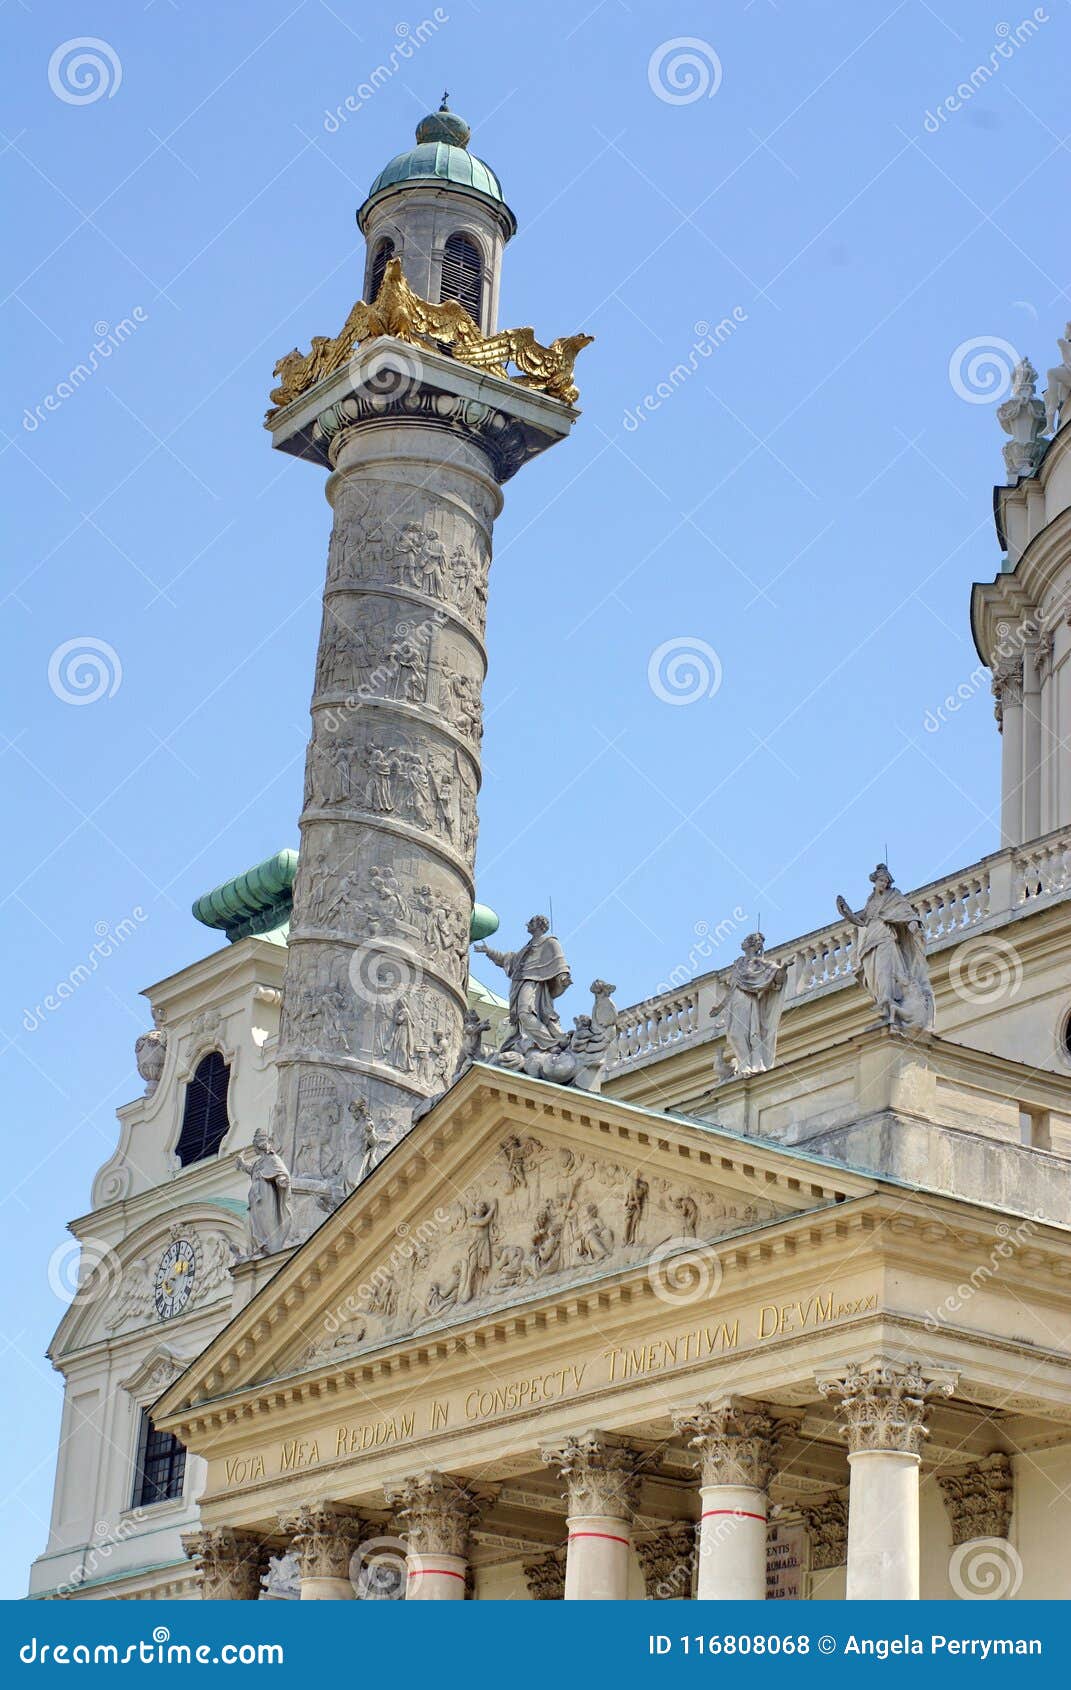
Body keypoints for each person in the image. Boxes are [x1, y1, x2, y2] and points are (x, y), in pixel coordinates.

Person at [836, 863, 934, 1033]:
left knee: (884, 972)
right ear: (875, 881)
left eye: (886, 881)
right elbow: (863, 920)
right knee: (873, 975)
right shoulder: (871, 899)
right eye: (881, 880)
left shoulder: (893, 895)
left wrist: (912, 923)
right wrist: (846, 912)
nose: (883, 883)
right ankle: (883, 1002)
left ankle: (888, 1004)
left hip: (885, 937)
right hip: (870, 940)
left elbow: (906, 912)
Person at [475, 914, 572, 1052]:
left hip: (533, 982)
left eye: (531, 922)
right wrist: (488, 951)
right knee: (523, 1016)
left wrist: (563, 977)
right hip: (520, 983)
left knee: (524, 1013)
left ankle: (551, 1043)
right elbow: (509, 960)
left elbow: (560, 962)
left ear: (539, 925)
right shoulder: (527, 947)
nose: (527, 924)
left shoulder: (550, 942)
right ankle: (536, 1040)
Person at [237, 1128, 292, 1255]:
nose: (254, 1148)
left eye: (255, 1145)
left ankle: (273, 1246)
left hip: (267, 1195)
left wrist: (281, 1180)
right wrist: (242, 1163)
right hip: (256, 1199)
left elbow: (282, 1172)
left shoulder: (272, 1158)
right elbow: (251, 1169)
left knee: (269, 1219)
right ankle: (263, 1246)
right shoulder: (258, 1162)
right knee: (257, 1223)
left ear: (259, 1145)